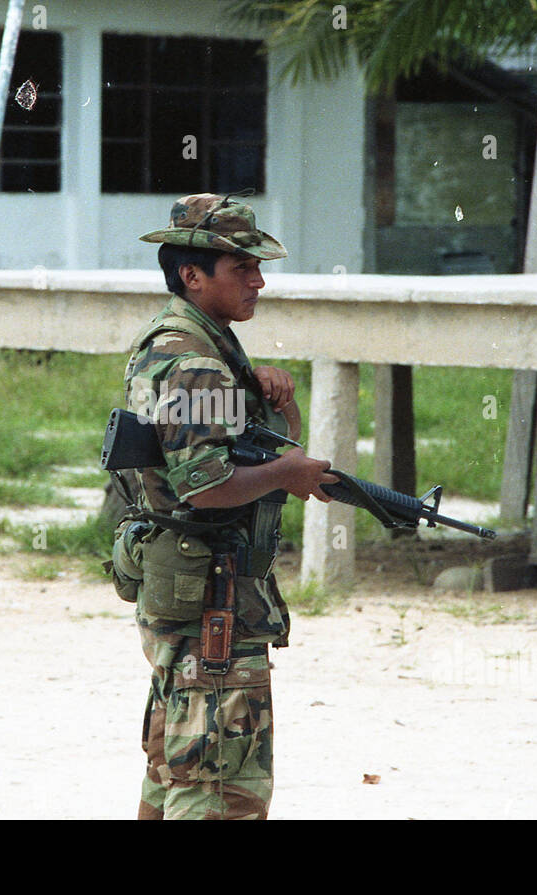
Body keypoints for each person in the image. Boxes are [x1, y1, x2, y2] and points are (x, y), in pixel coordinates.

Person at [120, 192, 338, 820]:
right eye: (241, 268)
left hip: (189, 581)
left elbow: (243, 451)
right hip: (210, 592)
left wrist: (275, 404)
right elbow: (206, 485)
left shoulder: (203, 350)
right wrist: (287, 475)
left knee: (177, 765)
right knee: (218, 782)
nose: (258, 280)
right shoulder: (195, 364)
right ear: (193, 274)